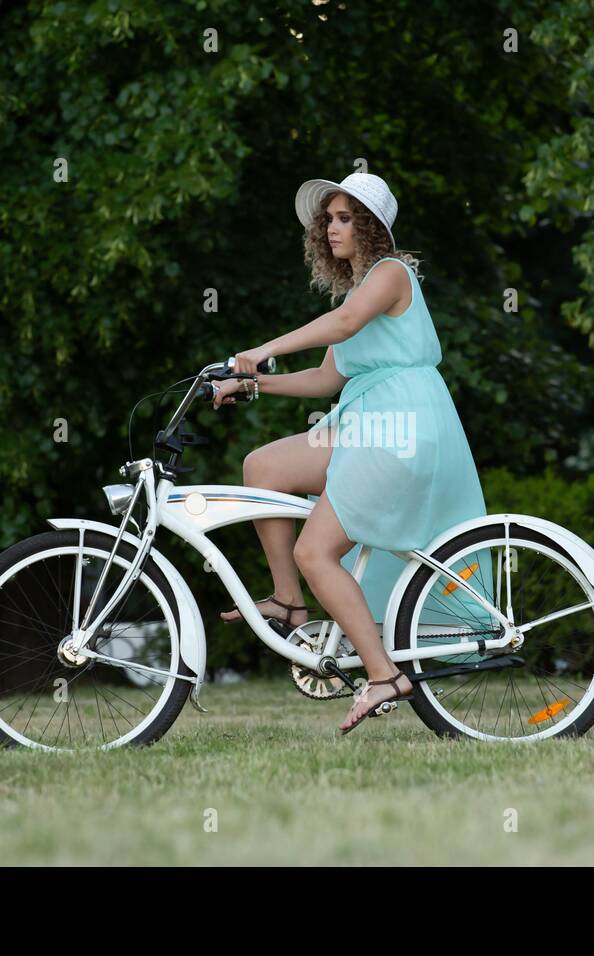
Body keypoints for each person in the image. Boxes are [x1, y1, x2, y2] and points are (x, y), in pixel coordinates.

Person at [211, 171, 488, 735]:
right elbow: (322, 379)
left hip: (402, 422)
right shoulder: (357, 291)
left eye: (344, 218)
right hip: (360, 418)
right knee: (261, 466)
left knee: (317, 552)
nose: (332, 229)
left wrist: (261, 351)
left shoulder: (391, 273)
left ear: (369, 226)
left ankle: (384, 675)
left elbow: (341, 324)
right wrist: (252, 384)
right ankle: (288, 602)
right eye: (328, 220)